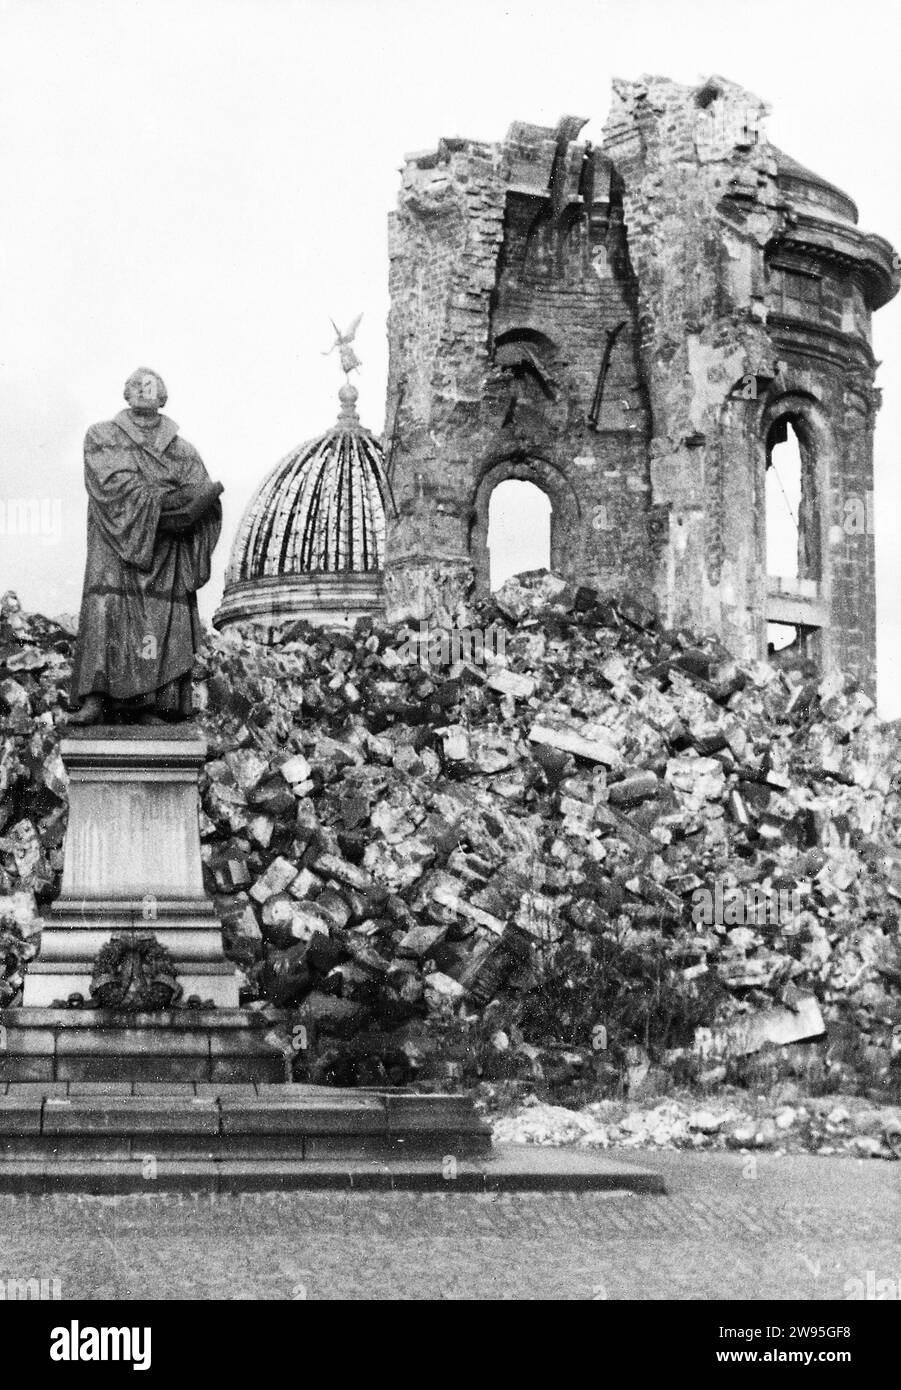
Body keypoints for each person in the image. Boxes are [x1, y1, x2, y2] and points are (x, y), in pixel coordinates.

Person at [68, 368, 223, 724]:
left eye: (149, 385)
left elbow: (199, 490)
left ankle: (152, 704)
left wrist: (194, 502)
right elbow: (112, 485)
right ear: (126, 393)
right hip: (115, 539)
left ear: (162, 396)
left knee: (158, 618)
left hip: (166, 551)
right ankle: (96, 697)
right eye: (136, 384)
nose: (142, 389)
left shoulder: (183, 449)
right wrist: (167, 503)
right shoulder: (102, 435)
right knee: (106, 609)